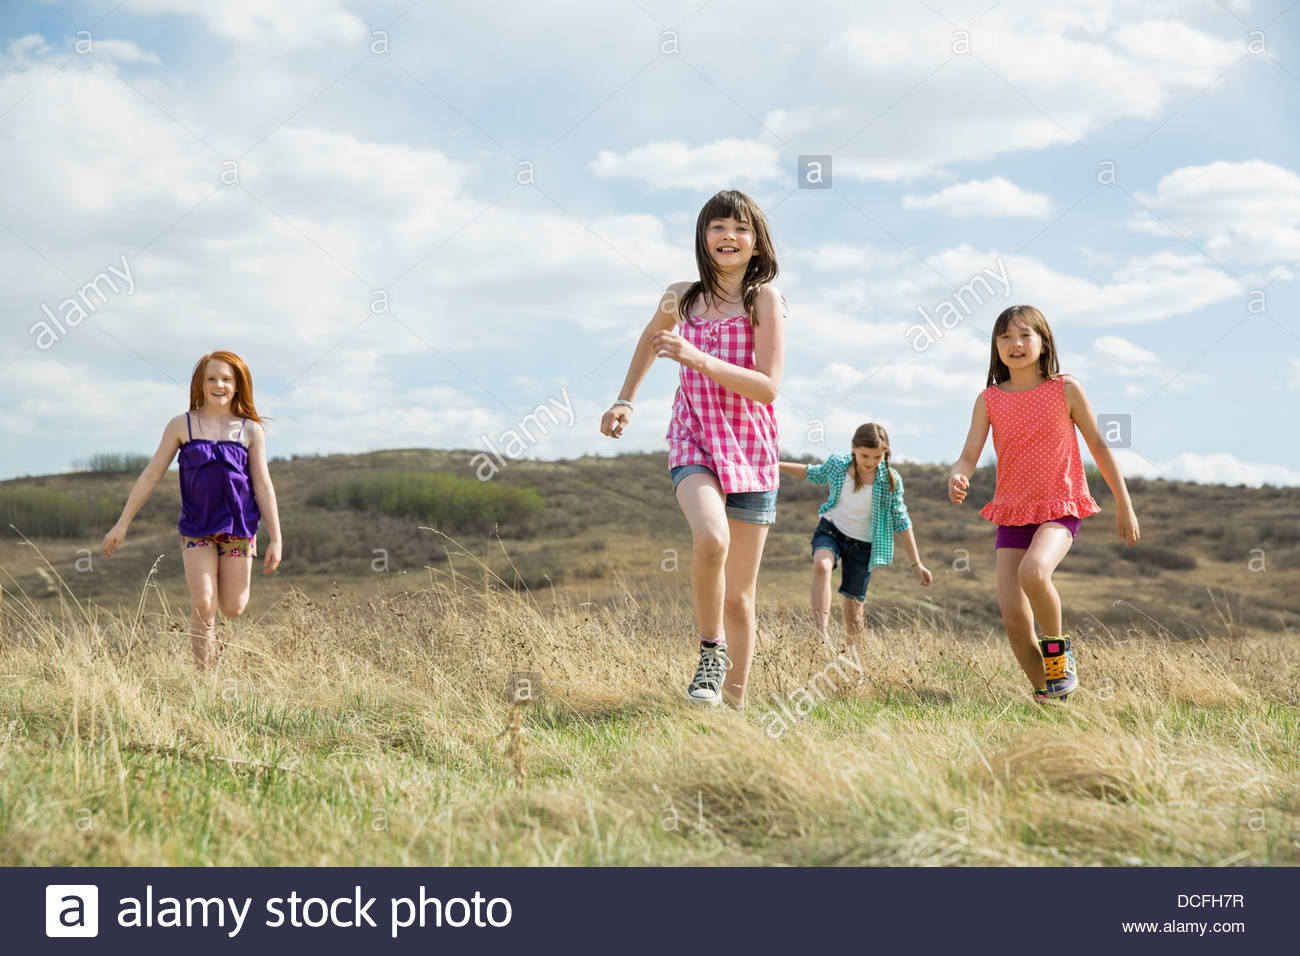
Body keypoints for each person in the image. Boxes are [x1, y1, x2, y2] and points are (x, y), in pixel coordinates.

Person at [600, 189, 785, 709]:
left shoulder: (763, 300)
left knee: (740, 598)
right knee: (711, 539)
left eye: (740, 229)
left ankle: (733, 711)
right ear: (703, 238)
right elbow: (648, 341)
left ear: (755, 243)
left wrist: (697, 357)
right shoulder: (680, 296)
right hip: (695, 438)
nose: (729, 236)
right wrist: (625, 401)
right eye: (718, 227)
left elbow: (768, 387)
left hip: (751, 450)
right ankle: (710, 651)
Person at [948, 305, 1139, 702]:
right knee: (1015, 623)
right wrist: (958, 473)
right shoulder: (989, 400)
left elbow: (1099, 448)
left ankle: (1059, 657)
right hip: (1013, 512)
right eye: (1005, 337)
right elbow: (968, 454)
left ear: (1043, 341)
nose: (1014, 344)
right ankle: (1051, 699)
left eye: (1024, 335)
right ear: (995, 346)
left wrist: (1124, 503)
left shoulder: (1064, 389)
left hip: (1059, 508)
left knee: (1034, 572)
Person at [103, 350, 283, 667]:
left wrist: (276, 538)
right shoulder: (181, 426)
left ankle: (226, 600)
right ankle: (204, 678)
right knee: (203, 601)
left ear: (238, 385)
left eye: (226, 379)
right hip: (196, 528)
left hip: (238, 529)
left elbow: (263, 485)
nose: (219, 385)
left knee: (233, 607)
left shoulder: (250, 431)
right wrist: (122, 524)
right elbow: (150, 475)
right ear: (200, 384)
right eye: (211, 378)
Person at [779, 423, 931, 650]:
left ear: (885, 453)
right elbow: (812, 473)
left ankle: (853, 659)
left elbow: (902, 522)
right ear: (853, 448)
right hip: (831, 531)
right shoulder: (838, 466)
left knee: (854, 608)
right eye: (865, 456)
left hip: (863, 547)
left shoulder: (889, 481)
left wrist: (916, 564)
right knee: (821, 565)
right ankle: (820, 637)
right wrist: (775, 464)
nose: (870, 462)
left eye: (877, 457)